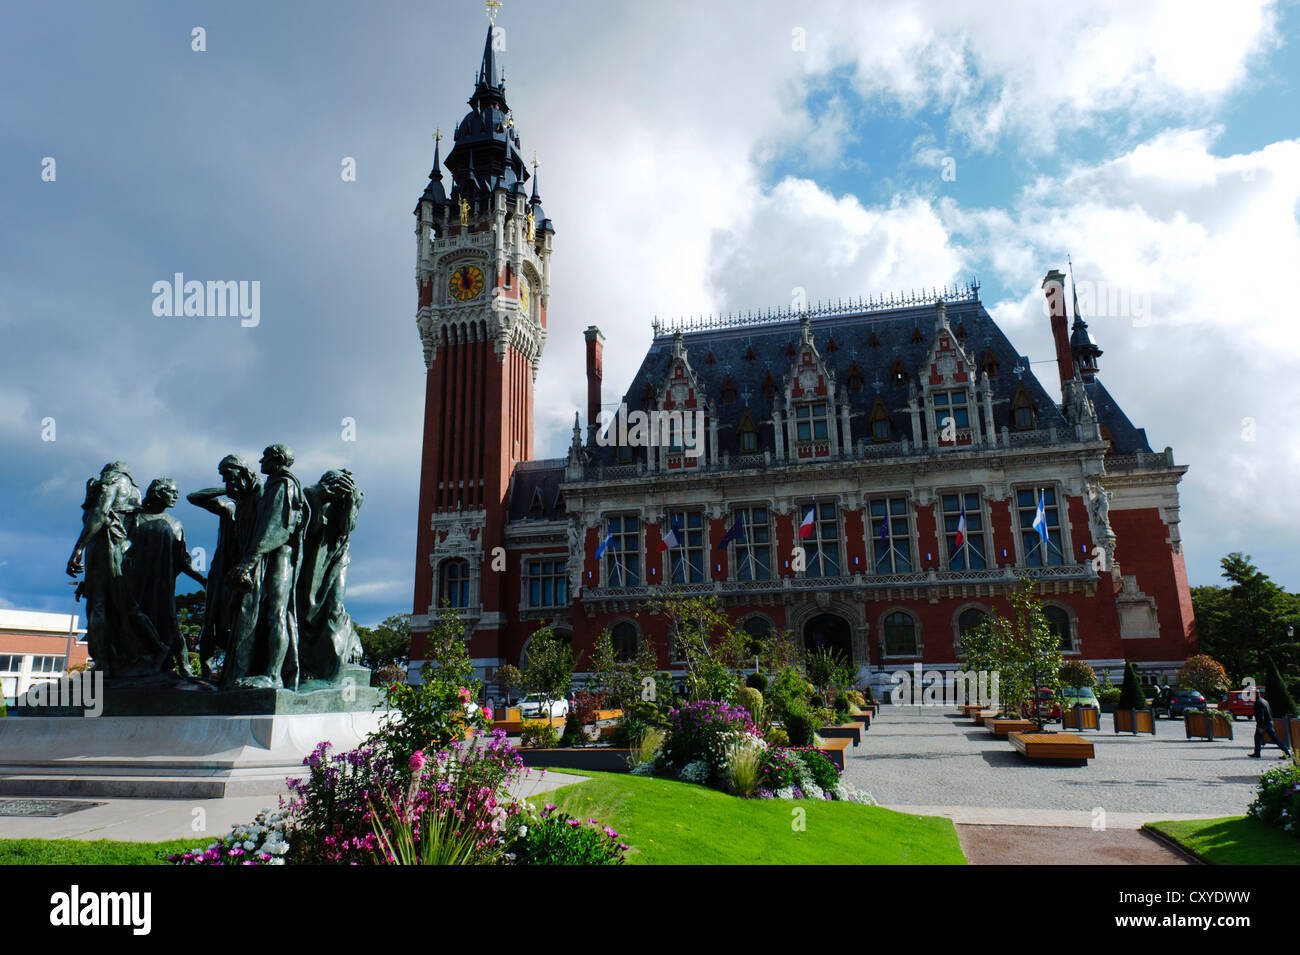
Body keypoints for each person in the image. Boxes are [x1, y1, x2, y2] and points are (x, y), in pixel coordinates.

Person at [188, 455, 264, 681]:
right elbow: (193, 497)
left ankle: (240, 670)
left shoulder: (260, 499)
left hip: (246, 571)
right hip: (223, 571)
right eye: (224, 478)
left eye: (230, 477)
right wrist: (225, 489)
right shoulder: (230, 507)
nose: (227, 481)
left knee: (239, 622)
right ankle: (207, 671)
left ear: (244, 473)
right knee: (212, 622)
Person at [128, 478, 207, 675]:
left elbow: (183, 559)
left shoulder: (175, 524)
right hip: (136, 583)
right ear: (157, 492)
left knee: (169, 622)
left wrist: (203, 580)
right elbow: (122, 550)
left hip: (162, 584)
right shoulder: (135, 519)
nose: (176, 496)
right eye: (172, 492)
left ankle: (184, 665)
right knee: (133, 623)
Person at [1249, 689, 1291, 759]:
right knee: (1274, 738)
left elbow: (1260, 715)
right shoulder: (1264, 701)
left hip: (1264, 724)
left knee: (1258, 737)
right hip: (1269, 722)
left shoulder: (1258, 702)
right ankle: (1286, 752)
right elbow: (1269, 712)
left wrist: (1260, 726)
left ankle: (1257, 753)